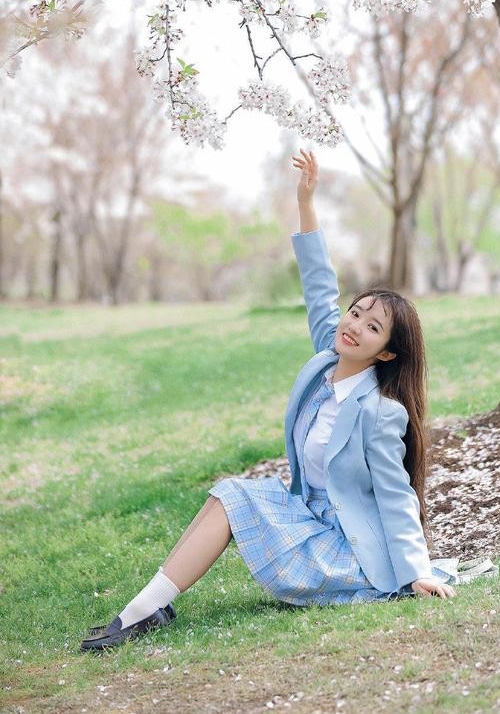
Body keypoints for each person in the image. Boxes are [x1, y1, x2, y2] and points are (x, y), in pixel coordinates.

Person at [80, 148, 454, 652]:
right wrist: (306, 203)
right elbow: (319, 287)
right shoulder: (327, 359)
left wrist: (415, 572)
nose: (354, 326)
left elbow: (395, 493)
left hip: (342, 546)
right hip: (305, 516)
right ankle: (145, 608)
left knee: (234, 496)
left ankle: (144, 612)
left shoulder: (381, 412)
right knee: (228, 494)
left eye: (372, 327)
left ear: (386, 352)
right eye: (356, 313)